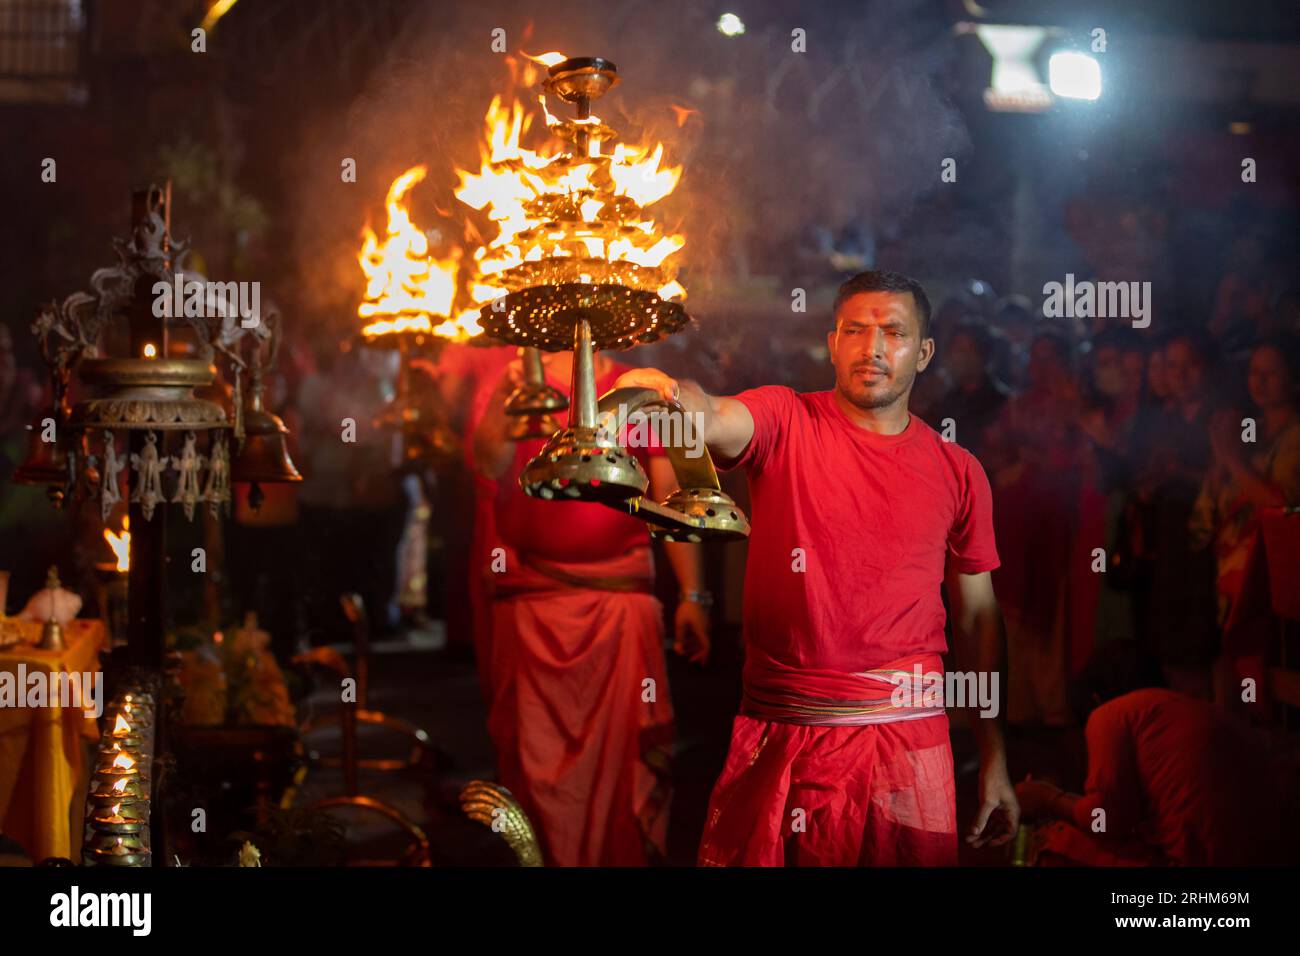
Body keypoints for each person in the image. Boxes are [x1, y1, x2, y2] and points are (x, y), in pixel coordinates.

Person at [614, 269, 1018, 866]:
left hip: (909, 743)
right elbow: (715, 417)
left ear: (924, 352)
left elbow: (979, 618)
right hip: (785, 736)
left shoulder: (958, 471)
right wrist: (673, 395)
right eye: (855, 329)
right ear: (832, 343)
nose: (873, 347)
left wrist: (994, 760)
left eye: (894, 332)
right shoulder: (785, 421)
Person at [470, 348, 710, 866]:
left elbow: (668, 496)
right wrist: (504, 402)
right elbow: (486, 464)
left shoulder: (638, 388)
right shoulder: (515, 381)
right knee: (535, 765)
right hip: (534, 606)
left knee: (621, 767)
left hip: (618, 608)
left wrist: (693, 594)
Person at [1016, 645, 1282, 866]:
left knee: (1058, 841)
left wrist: (1048, 799)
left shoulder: (1111, 714)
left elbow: (1106, 820)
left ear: (1095, 698)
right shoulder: (1200, 712)